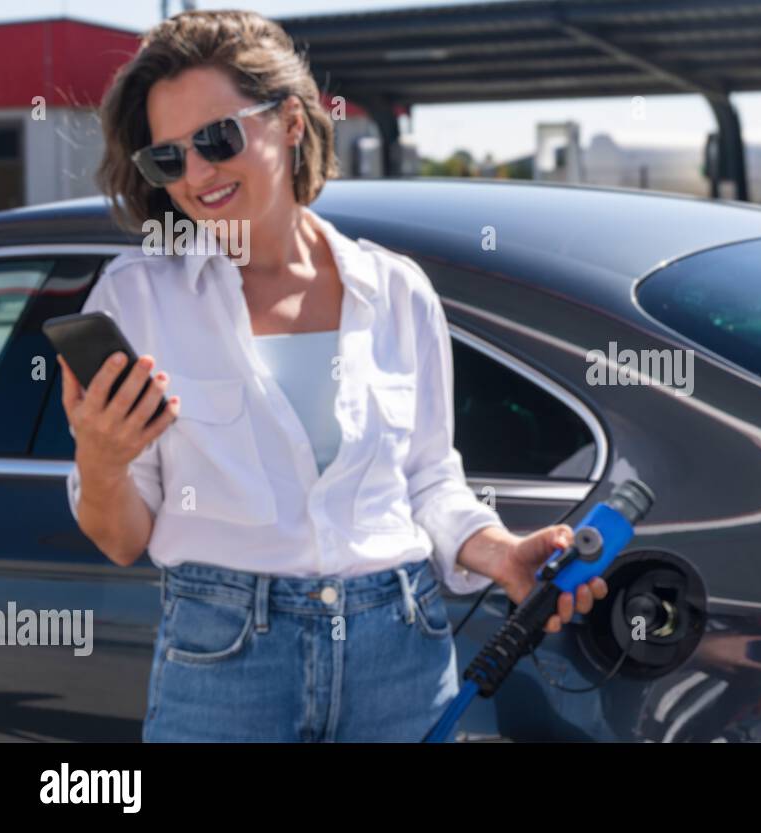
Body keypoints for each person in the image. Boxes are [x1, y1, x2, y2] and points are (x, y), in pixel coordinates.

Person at [59, 9, 606, 742]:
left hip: (400, 652)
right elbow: (124, 537)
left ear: (290, 121)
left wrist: (498, 550)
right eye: (168, 159)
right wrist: (101, 460)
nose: (195, 175)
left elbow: (428, 481)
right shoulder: (138, 298)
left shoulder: (397, 289)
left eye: (215, 140)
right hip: (224, 660)